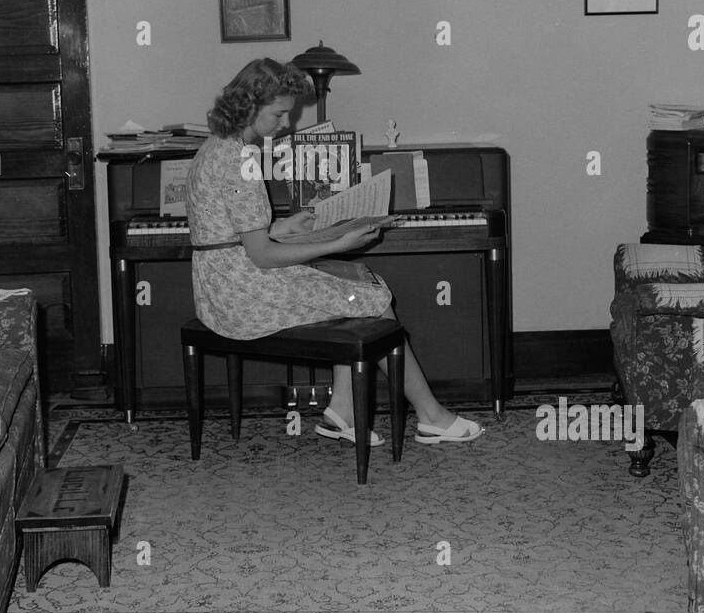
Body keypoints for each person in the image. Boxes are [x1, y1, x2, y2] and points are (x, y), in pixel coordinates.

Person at [185, 58, 483, 446]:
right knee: (372, 297)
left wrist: (282, 228)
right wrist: (337, 243)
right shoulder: (237, 161)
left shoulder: (217, 147)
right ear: (250, 105)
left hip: (219, 285)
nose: (285, 124)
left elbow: (228, 232)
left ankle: (342, 412)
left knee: (352, 283)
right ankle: (431, 415)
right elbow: (261, 257)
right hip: (241, 295)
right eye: (279, 114)